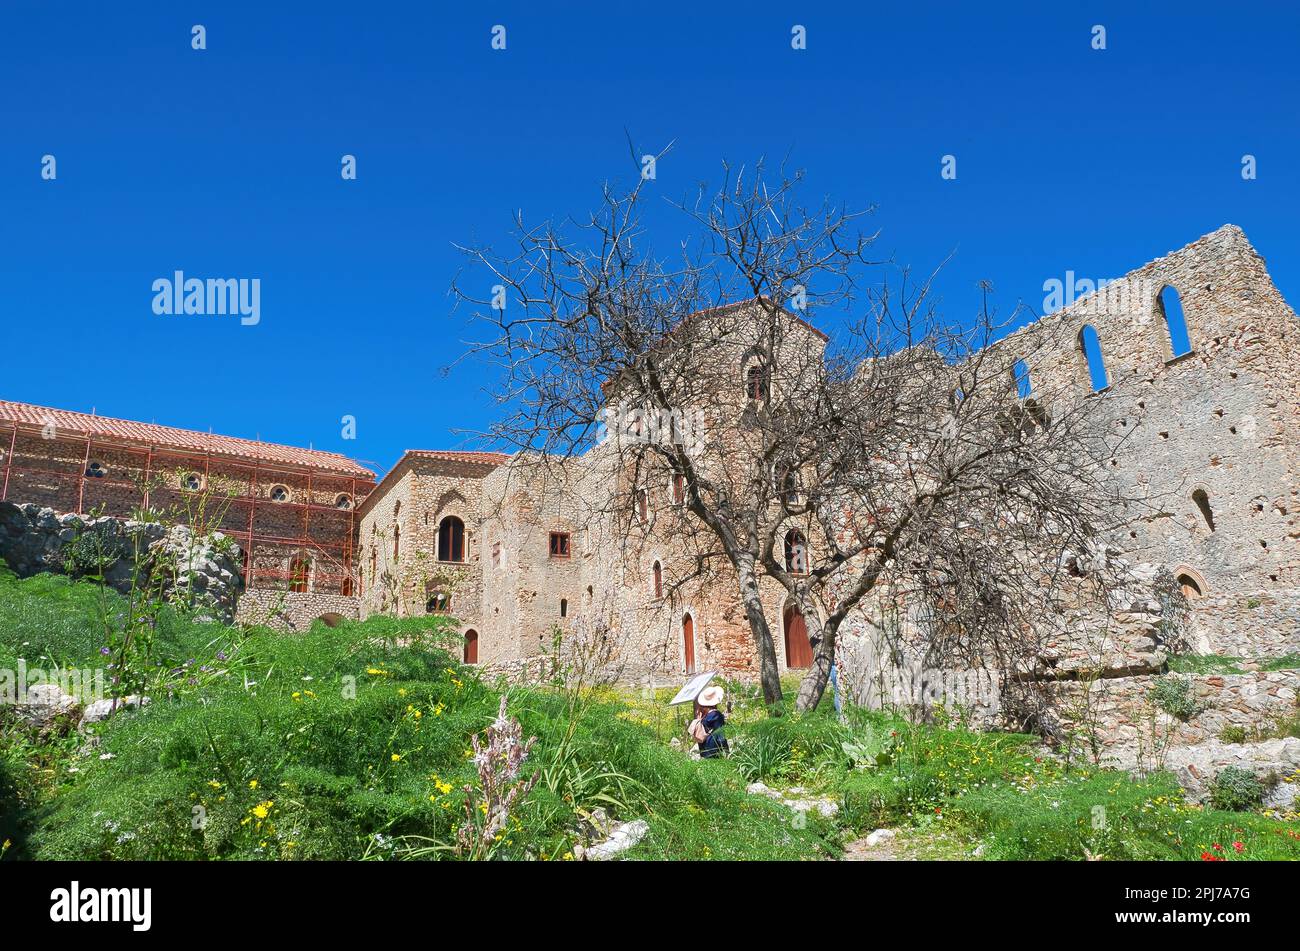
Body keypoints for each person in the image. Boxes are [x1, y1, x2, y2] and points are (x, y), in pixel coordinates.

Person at [690, 685, 729, 758]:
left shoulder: (704, 715)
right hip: (714, 749)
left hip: (703, 749)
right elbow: (720, 735)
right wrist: (726, 750)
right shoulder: (717, 715)